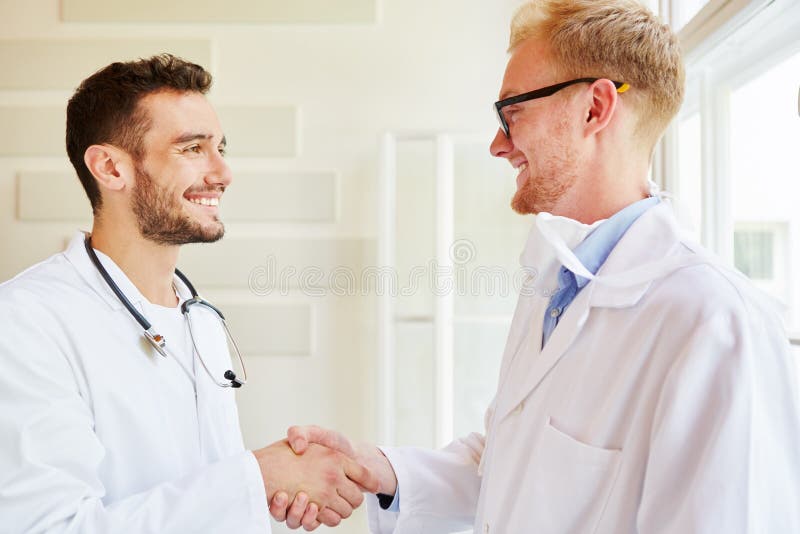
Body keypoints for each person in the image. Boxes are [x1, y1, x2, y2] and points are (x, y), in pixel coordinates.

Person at [271, 0, 800, 532]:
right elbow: (512, 466)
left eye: (512, 112)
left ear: (594, 109)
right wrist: (380, 470)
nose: (498, 144)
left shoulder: (718, 324)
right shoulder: (555, 281)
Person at [0, 54, 377, 533]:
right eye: (192, 149)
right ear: (111, 168)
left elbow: (201, 495)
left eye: (221, 147)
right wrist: (256, 478)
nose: (223, 173)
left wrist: (270, 490)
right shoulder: (25, 322)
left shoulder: (198, 317)